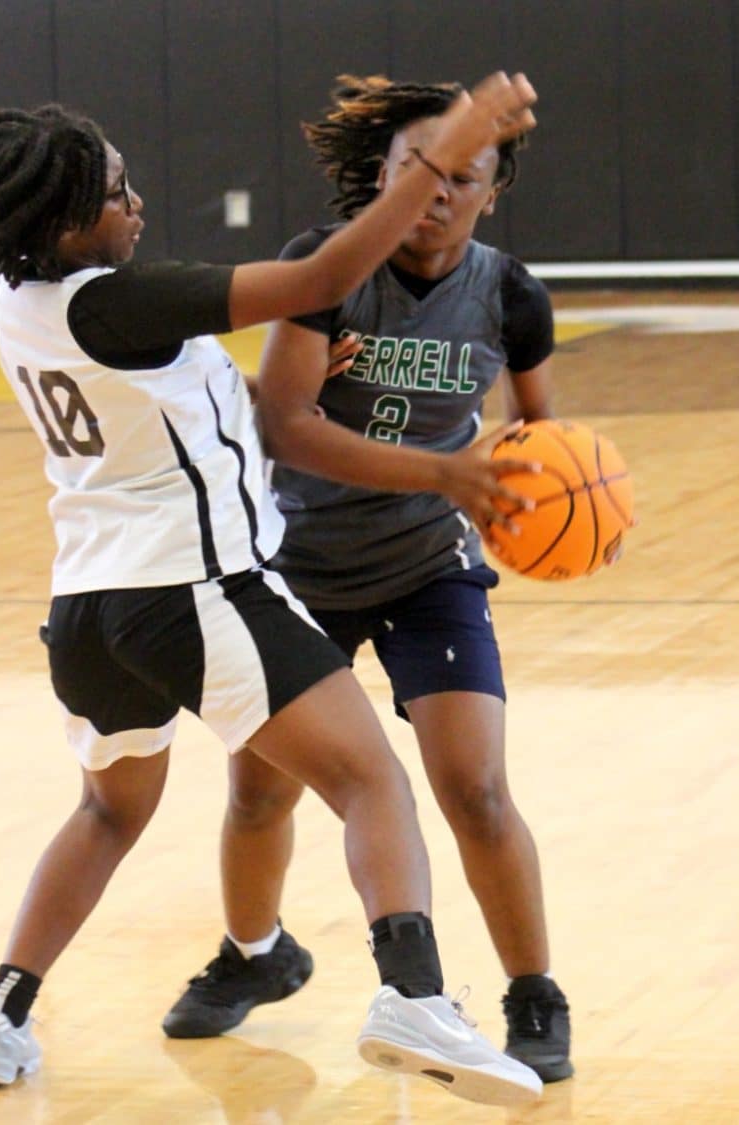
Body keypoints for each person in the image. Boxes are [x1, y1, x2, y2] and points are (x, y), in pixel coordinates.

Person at [0, 78, 548, 1107]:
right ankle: (415, 999)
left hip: (87, 612)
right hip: (193, 592)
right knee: (372, 783)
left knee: (108, 814)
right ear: (66, 222)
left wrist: (260, 389)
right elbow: (330, 269)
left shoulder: (18, 300)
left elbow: (162, 400)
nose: (138, 204)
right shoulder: (121, 297)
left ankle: (1, 1011)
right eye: (117, 192)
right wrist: (445, 152)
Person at [165, 74, 574, 1084]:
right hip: (296, 562)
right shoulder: (327, 269)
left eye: (459, 176)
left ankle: (534, 994)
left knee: (475, 788)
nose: (433, 193)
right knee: (260, 795)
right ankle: (254, 954)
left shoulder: (511, 294)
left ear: (492, 188)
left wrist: (567, 504)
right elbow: (286, 424)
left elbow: (541, 437)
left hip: (426, 564)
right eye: (412, 173)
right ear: (384, 180)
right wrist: (451, 470)